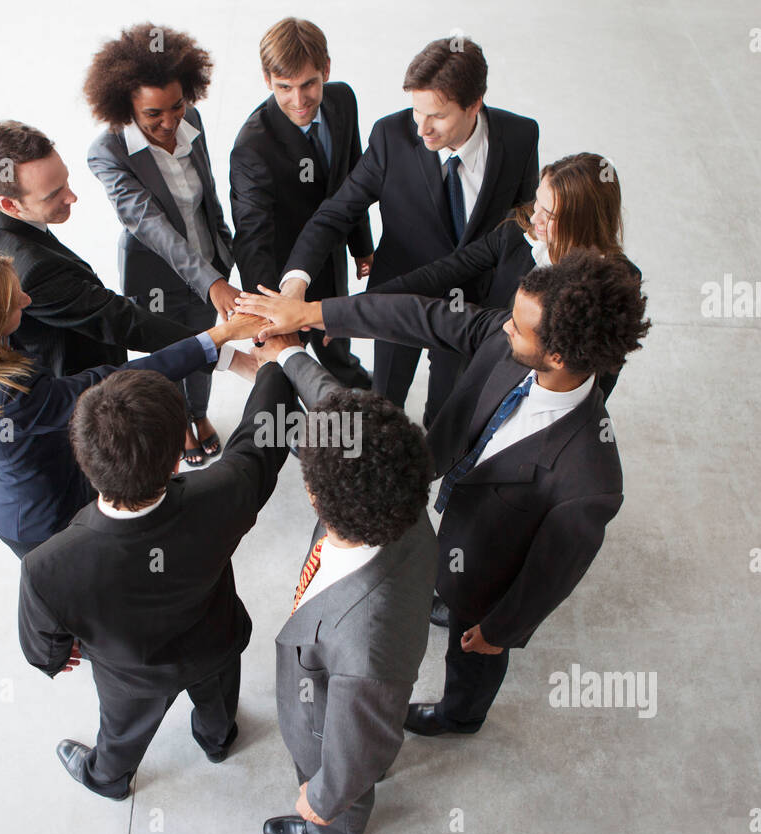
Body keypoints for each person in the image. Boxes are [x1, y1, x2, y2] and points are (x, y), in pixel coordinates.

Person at [238, 249, 650, 734]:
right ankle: (446, 597)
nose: (503, 329)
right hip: (449, 512)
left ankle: (462, 715)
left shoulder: (591, 480)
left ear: (557, 356)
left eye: (518, 328)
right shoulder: (512, 339)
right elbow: (420, 316)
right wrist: (313, 313)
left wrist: (499, 631)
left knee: (472, 649)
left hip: (483, 576)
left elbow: (551, 575)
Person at [17, 359, 297, 801]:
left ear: (84, 460)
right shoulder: (224, 492)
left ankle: (107, 778)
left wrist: (56, 656)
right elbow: (260, 444)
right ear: (174, 458)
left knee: (121, 733)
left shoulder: (47, 566)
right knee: (218, 705)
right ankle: (217, 741)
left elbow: (43, 652)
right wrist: (275, 368)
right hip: (214, 643)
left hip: (129, 676)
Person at [0, 250, 260, 557]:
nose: (26, 300)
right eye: (13, 301)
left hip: (0, 482)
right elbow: (117, 379)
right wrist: (221, 335)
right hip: (44, 514)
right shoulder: (13, 397)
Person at [278, 35, 539, 428]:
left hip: (471, 309)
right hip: (396, 297)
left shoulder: (520, 137)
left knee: (447, 414)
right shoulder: (391, 137)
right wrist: (296, 282)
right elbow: (336, 213)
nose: (422, 129)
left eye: (437, 116)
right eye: (417, 111)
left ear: (474, 105)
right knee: (385, 403)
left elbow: (522, 228)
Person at [249, 336, 436, 834]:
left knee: (349, 782)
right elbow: (337, 404)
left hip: (328, 728)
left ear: (315, 496)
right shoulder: (396, 493)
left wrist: (326, 797)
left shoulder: (365, 647)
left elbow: (361, 740)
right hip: (369, 672)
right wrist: (289, 355)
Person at [85, 23, 240, 467]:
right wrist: (211, 283)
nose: (170, 122)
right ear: (124, 107)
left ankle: (199, 413)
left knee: (206, 344)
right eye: (154, 114)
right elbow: (151, 225)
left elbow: (208, 197)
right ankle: (177, 427)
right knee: (171, 356)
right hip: (157, 278)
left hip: (209, 267)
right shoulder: (107, 153)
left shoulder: (191, 120)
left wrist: (222, 261)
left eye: (177, 105)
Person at [0, 120, 198, 377]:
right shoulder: (33, 270)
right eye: (53, 194)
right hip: (75, 373)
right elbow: (121, 320)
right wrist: (214, 344)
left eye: (65, 180)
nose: (72, 197)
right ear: (9, 205)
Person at [372, 152, 638, 400]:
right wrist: (359, 303)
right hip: (479, 372)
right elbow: (444, 270)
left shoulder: (619, 282)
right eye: (537, 203)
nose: (535, 219)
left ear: (584, 221)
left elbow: (605, 369)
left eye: (550, 214)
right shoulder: (515, 232)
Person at [229, 17, 373, 390]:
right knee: (287, 364)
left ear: (326, 68)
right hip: (280, 272)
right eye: (284, 87)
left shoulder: (343, 100)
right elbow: (251, 235)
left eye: (309, 83)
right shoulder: (252, 146)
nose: (299, 100)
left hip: (331, 257)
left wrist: (361, 246)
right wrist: (267, 314)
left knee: (337, 342)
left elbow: (352, 178)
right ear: (267, 80)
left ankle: (356, 393)